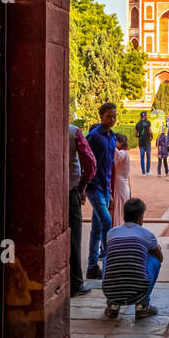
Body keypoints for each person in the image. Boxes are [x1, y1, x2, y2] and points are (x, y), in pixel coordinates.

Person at [102, 196, 163, 320]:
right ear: (140, 217)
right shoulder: (147, 235)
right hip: (139, 293)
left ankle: (113, 305)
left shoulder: (111, 233)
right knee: (154, 261)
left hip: (110, 292)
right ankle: (142, 306)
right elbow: (159, 257)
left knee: (107, 259)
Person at [85, 102, 117, 279]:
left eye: (114, 116)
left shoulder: (111, 137)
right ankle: (108, 264)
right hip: (93, 186)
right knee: (107, 222)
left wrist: (110, 192)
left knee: (97, 228)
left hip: (104, 187)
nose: (112, 119)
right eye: (108, 116)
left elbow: (109, 166)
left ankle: (92, 267)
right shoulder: (94, 136)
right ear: (101, 116)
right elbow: (86, 161)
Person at [69, 122, 96, 295]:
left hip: (44, 190)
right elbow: (90, 162)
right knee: (74, 238)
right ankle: (76, 283)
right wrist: (82, 186)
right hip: (69, 191)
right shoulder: (73, 132)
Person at [111, 132, 132, 226]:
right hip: (122, 185)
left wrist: (110, 143)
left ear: (120, 143)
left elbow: (116, 156)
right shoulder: (124, 153)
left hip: (120, 185)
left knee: (119, 211)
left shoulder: (123, 153)